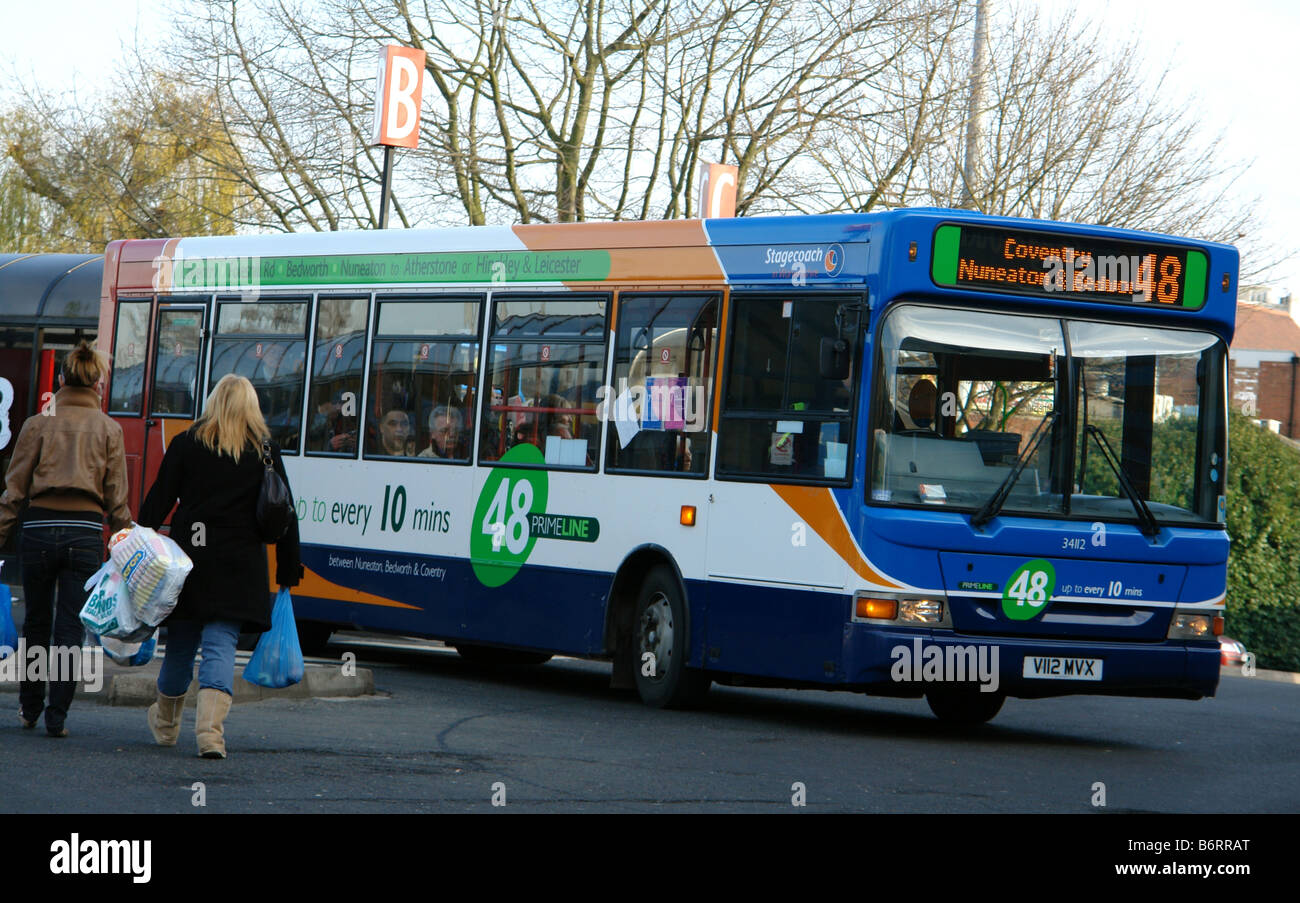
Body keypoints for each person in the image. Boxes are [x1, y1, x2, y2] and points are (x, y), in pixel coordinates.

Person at [137, 374, 302, 758]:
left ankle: (165, 726)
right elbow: (285, 512)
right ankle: (210, 735)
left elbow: (158, 501)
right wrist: (288, 569)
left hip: (189, 560)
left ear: (212, 403)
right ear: (251, 407)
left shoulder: (186, 444)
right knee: (220, 644)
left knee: (180, 644)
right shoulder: (264, 450)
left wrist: (135, 546)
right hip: (239, 564)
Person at [0, 341, 132, 737]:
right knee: (70, 627)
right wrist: (128, 540)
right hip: (86, 533)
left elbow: (15, 489)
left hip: (38, 530)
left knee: (36, 623)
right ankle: (57, 716)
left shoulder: (37, 424)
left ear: (61, 380)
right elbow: (117, 499)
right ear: (98, 385)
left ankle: (29, 707)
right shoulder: (110, 429)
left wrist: (2, 529)